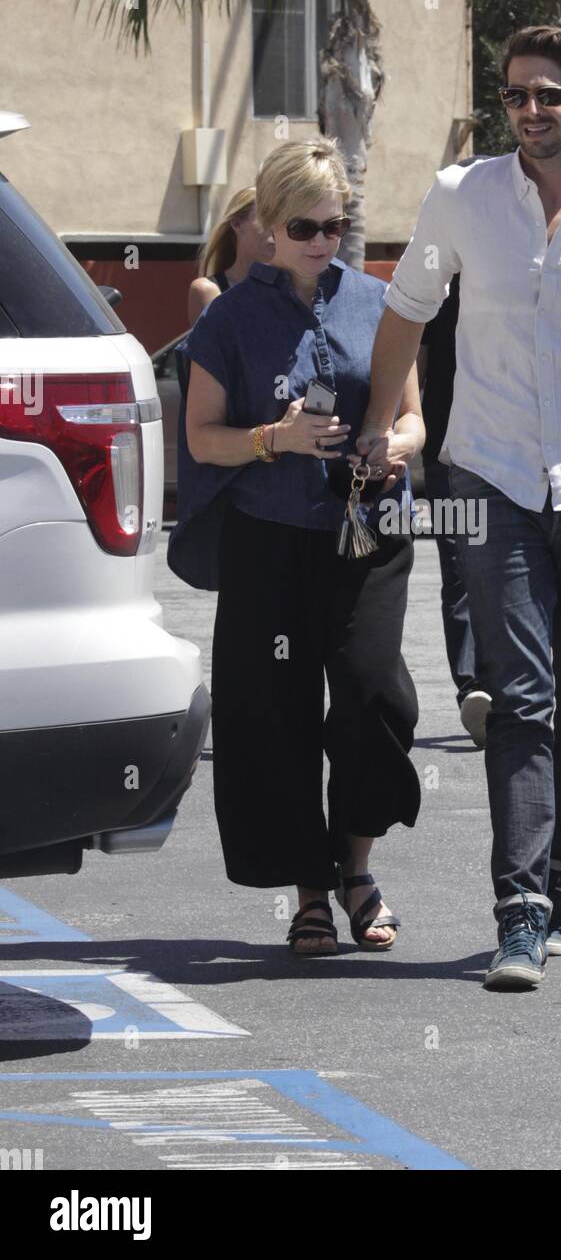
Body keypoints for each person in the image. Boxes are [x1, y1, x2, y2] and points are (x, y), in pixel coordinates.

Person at [359, 24, 561, 991]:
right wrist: (380, 426)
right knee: (522, 700)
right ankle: (520, 910)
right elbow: (406, 311)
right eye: (515, 96)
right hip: (490, 480)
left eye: (549, 95)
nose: (531, 111)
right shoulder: (464, 196)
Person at [168, 137, 424, 955]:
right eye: (305, 226)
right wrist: (274, 439)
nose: (322, 241)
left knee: (374, 696)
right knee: (273, 717)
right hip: (268, 542)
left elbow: (418, 420)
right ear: (267, 226)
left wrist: (396, 446)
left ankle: (357, 865)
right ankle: (311, 889)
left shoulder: (379, 303)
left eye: (335, 225)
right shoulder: (229, 319)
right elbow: (203, 440)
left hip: (364, 533)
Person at [417, 158, 491, 747]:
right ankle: (475, 690)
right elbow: (402, 355)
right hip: (445, 453)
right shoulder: (430, 277)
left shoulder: (515, 269)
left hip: (510, 450)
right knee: (458, 567)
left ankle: (513, 684)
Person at [186, 187, 275, 325]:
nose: (276, 228)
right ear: (237, 224)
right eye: (266, 218)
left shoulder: (291, 288)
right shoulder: (209, 290)